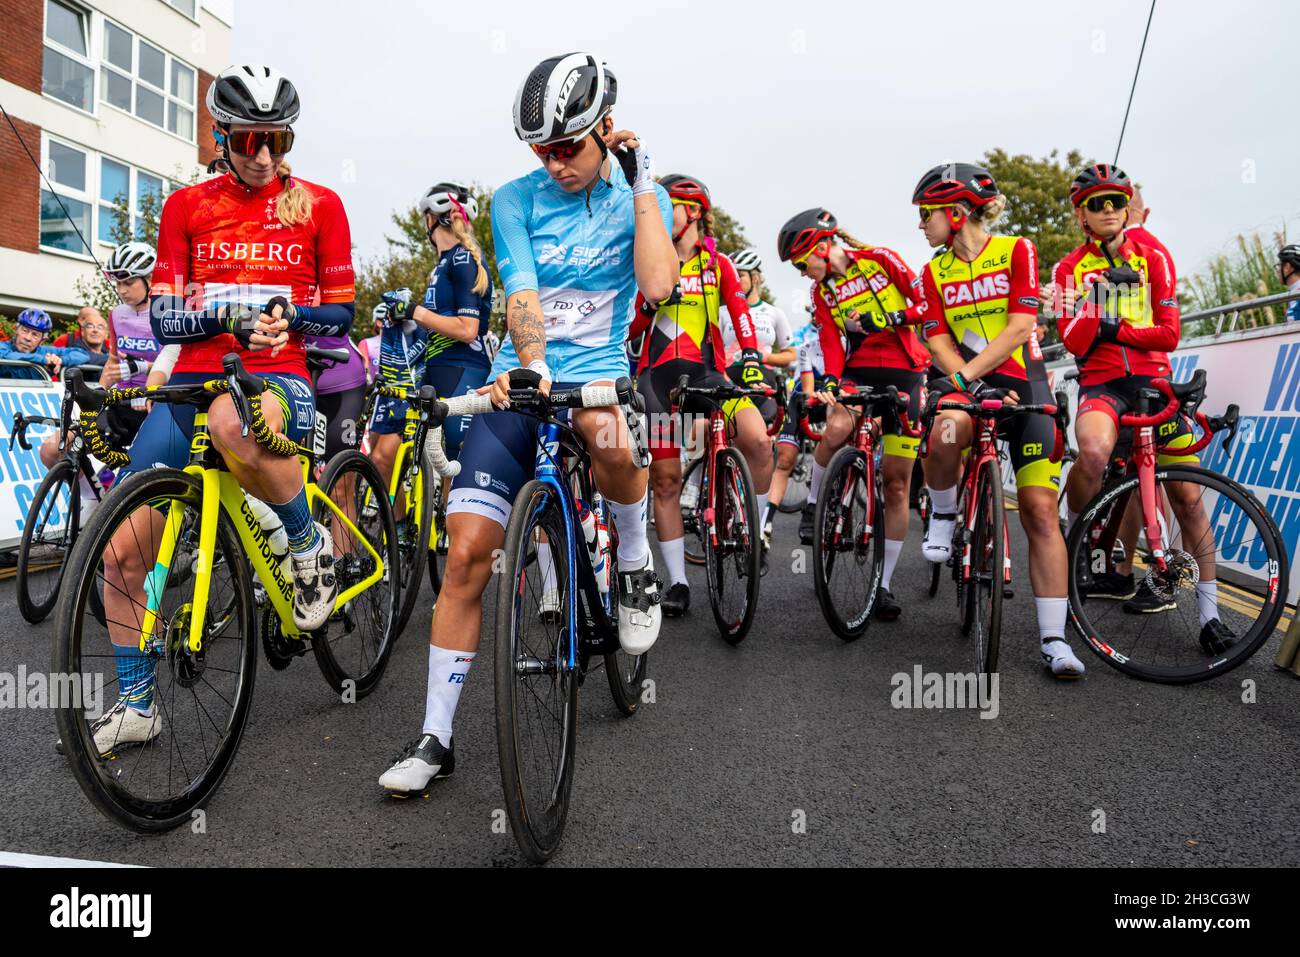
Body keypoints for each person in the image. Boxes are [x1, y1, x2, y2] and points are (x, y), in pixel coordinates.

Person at [378, 52, 676, 793]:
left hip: (601, 371)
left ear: (606, 128)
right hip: (524, 373)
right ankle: (435, 738)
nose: (554, 162)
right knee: (467, 551)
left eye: (567, 146)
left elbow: (658, 284)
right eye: (540, 149)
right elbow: (522, 287)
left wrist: (641, 189)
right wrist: (533, 365)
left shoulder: (647, 194)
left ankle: (633, 563)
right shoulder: (514, 199)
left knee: (609, 436)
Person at [84, 64, 358, 757]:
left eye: (276, 139)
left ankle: (308, 547)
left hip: (279, 379)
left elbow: (342, 311)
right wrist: (228, 315)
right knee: (119, 554)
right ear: (222, 134)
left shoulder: (320, 205)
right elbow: (168, 316)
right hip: (194, 385)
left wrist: (291, 313)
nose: (262, 155)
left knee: (237, 424)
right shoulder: (186, 207)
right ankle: (139, 704)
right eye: (247, 139)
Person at [910, 162, 1085, 678]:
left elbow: (1020, 326)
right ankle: (944, 511)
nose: (921, 225)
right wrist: (964, 382)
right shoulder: (933, 271)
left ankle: (1055, 640)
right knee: (945, 428)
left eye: (927, 215)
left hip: (1024, 385)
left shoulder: (1017, 251)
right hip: (970, 382)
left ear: (957, 212)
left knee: (1036, 511)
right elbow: (935, 338)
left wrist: (965, 380)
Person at [1052, 164, 1227, 642]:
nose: (1108, 209)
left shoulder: (1154, 255)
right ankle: (1081, 541)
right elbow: (1073, 339)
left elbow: (1168, 335)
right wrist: (1097, 298)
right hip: (1102, 383)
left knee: (1188, 499)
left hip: (1154, 380)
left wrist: (1116, 326)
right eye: (1096, 203)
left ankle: (1211, 617)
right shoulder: (1069, 268)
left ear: (1129, 207)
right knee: (1091, 452)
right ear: (1081, 216)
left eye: (1116, 201)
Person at [776, 208, 929, 620]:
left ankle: (884, 585)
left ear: (824, 247)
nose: (802, 273)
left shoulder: (881, 259)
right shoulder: (822, 292)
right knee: (837, 426)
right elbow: (828, 339)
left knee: (897, 484)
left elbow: (927, 305)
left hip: (906, 374)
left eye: (801, 262)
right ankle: (813, 503)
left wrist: (891, 318)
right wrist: (829, 381)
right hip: (859, 372)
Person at [631, 173, 773, 610]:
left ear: (692, 212)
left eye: (665, 204)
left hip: (709, 372)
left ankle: (755, 526)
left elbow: (740, 312)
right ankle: (677, 583)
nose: (655, 211)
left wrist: (750, 355)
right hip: (656, 378)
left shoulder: (718, 266)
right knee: (667, 481)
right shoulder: (645, 262)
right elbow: (631, 330)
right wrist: (647, 305)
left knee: (757, 441)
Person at [382, 181, 494, 465]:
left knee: (461, 457)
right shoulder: (442, 263)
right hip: (437, 365)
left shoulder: (463, 259)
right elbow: (436, 321)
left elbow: (467, 330)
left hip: (463, 366)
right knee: (436, 460)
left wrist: (414, 311)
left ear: (431, 219)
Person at [40, 242, 165, 477]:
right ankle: (93, 500)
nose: (121, 290)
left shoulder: (166, 313)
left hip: (152, 405)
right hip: (118, 403)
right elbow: (112, 361)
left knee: (135, 472)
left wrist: (143, 368)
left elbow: (175, 364)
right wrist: (97, 392)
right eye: (117, 283)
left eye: (128, 282)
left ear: (150, 278)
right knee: (52, 450)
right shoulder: (117, 314)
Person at [721, 247, 796, 547]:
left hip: (761, 385)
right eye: (734, 274)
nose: (736, 279)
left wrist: (766, 355)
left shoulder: (773, 313)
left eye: (741, 275)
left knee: (761, 448)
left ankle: (757, 518)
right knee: (707, 435)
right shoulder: (723, 309)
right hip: (729, 382)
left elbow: (790, 356)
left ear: (755, 278)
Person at [0, 308, 89, 380]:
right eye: (24, 331)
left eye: (35, 335)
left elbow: (83, 354)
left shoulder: (45, 351)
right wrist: (44, 360)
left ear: (42, 340)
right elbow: (5, 355)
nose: (28, 338)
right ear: (16, 330)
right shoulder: (3, 346)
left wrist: (60, 360)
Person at [1280, 244, 1300, 323]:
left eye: (1279, 266)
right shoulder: (1294, 291)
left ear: (1287, 267)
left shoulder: (1297, 293)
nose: (1277, 270)